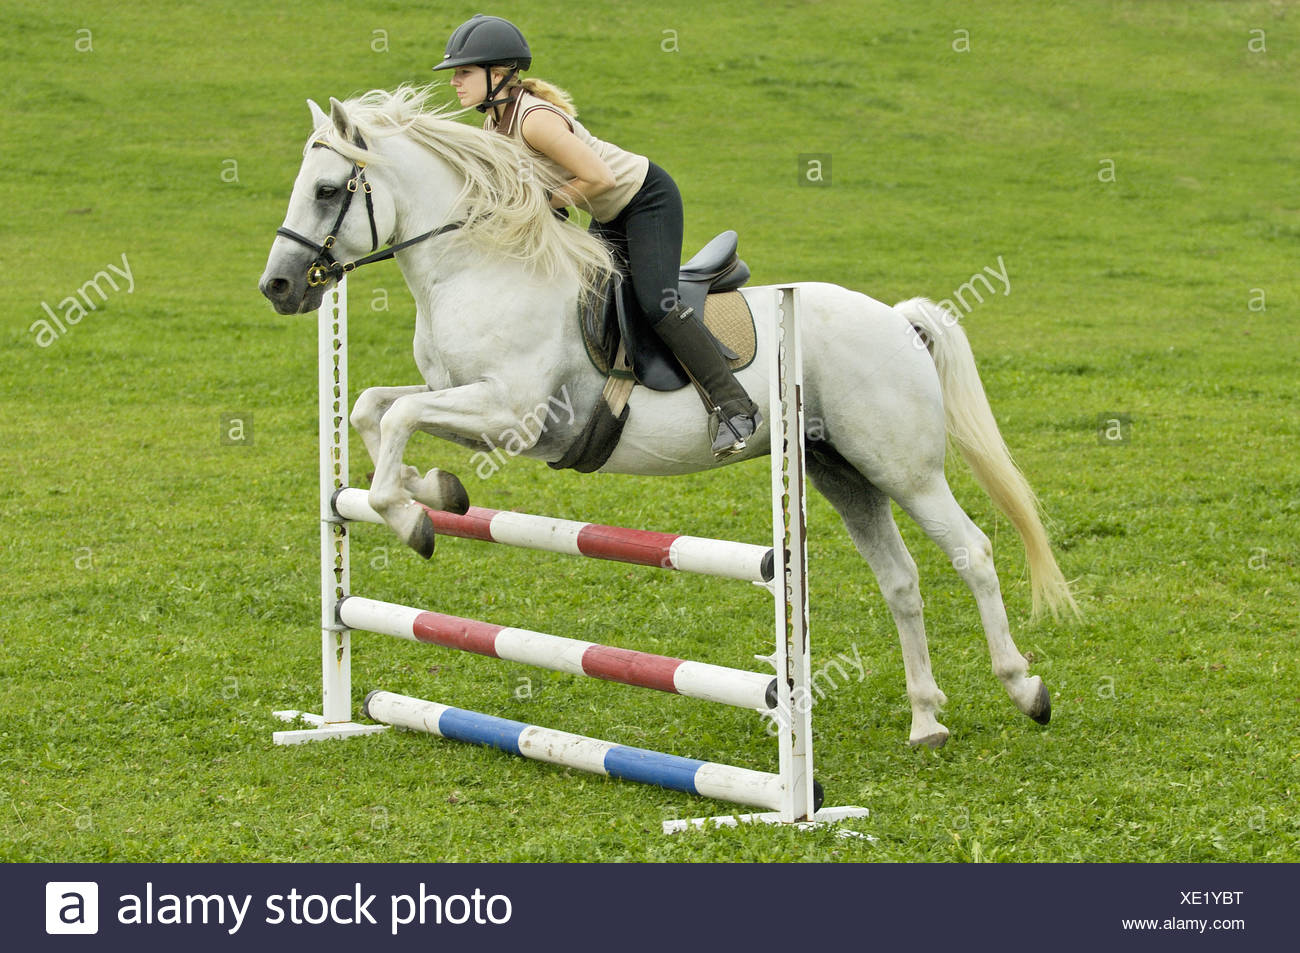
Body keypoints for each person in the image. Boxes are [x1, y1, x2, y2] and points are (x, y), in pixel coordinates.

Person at [433, 14, 760, 458]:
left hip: (646, 200)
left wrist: (540, 203)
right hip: (608, 211)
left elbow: (599, 177)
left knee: (656, 303)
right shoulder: (494, 125)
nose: (455, 81)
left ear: (499, 74)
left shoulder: (533, 120)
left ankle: (735, 407)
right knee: (589, 295)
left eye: (464, 72)